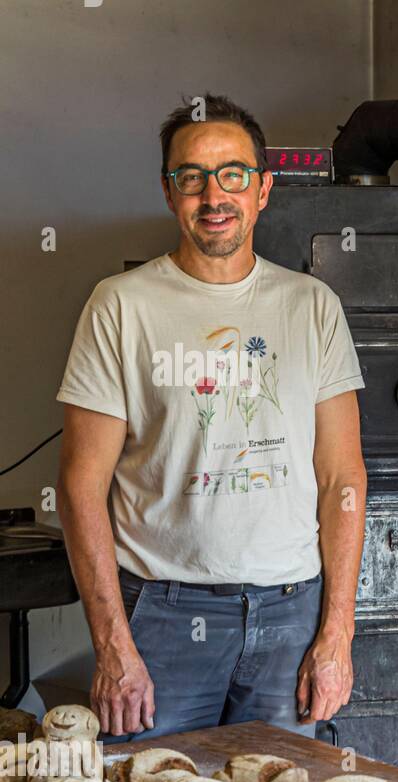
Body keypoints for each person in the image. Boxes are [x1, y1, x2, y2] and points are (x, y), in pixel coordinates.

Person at [55, 93, 367, 739]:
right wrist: (113, 645)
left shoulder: (312, 305)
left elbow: (342, 479)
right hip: (162, 616)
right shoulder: (121, 305)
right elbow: (81, 487)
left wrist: (336, 634)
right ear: (170, 193)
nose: (213, 194)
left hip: (292, 613)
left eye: (233, 174)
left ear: (262, 190)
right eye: (191, 176)